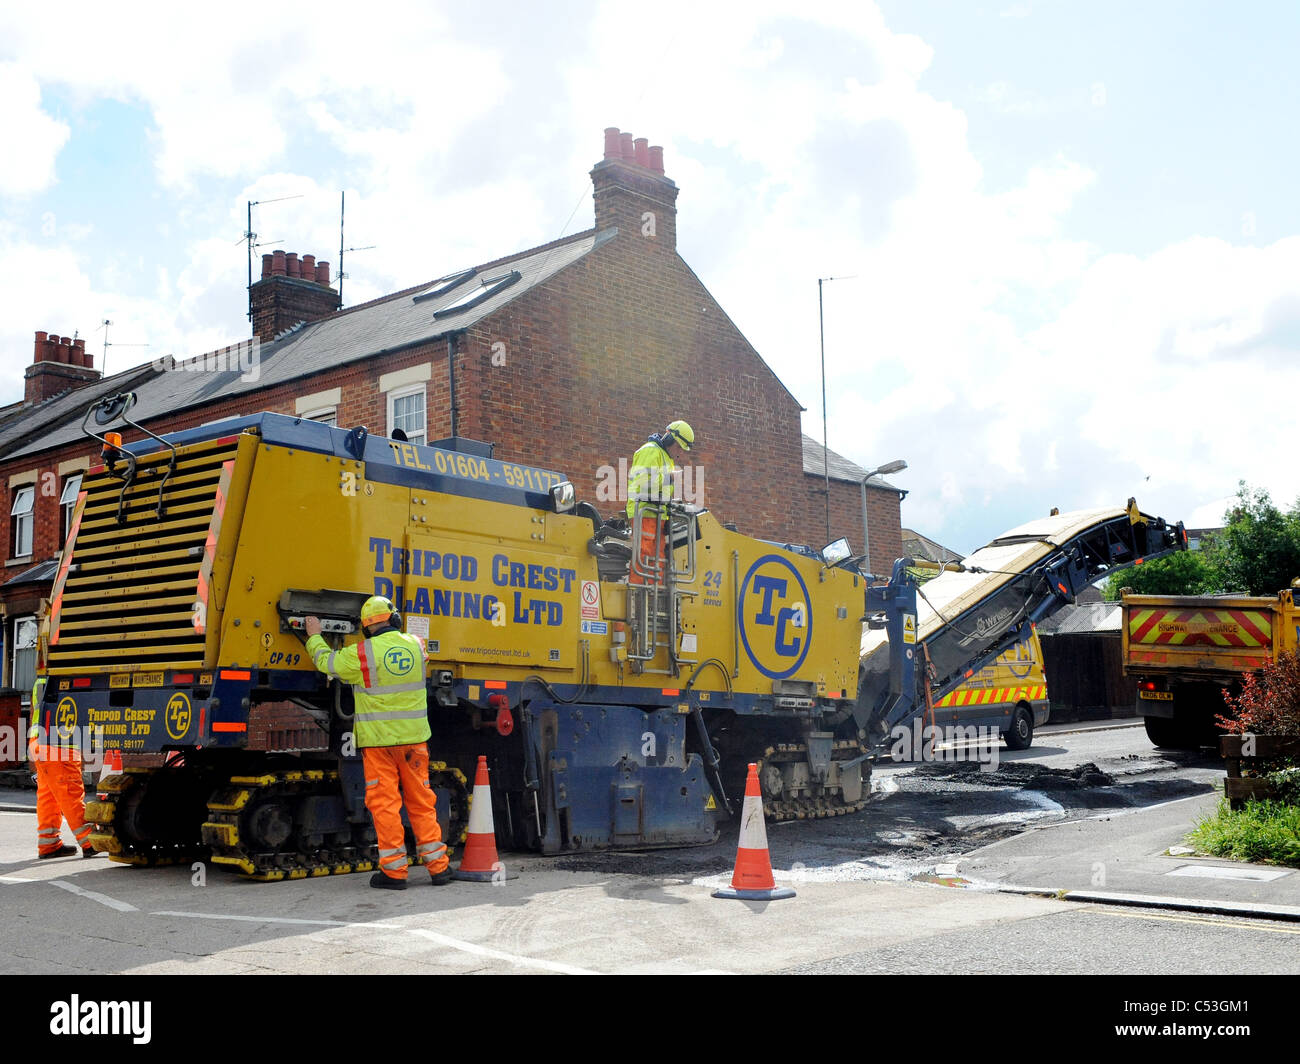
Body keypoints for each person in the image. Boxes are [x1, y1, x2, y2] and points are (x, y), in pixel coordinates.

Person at [304, 596, 452, 889]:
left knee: (384, 805)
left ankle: (395, 874)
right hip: (414, 742)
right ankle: (438, 868)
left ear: (366, 627)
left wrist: (314, 637)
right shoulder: (417, 645)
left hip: (380, 744)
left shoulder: (362, 654)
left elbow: (327, 663)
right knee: (422, 802)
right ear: (394, 619)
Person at [28, 612, 99, 859]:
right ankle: (90, 842)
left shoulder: (41, 680)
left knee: (48, 796)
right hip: (59, 742)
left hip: (38, 742)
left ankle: (48, 844)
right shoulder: (66, 678)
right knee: (70, 792)